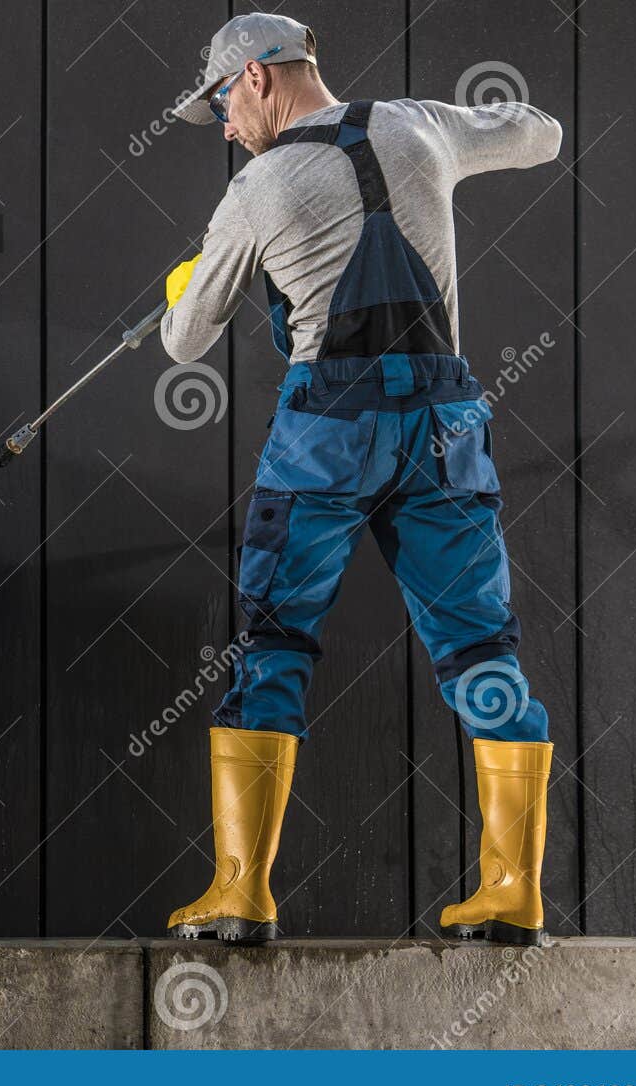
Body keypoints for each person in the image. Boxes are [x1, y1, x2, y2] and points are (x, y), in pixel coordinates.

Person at [160, 12, 563, 946]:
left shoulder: (256, 189)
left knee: (274, 643)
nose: (223, 122)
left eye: (223, 99)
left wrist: (189, 283)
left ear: (259, 77)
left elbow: (185, 343)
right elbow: (539, 132)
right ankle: (511, 894)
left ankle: (241, 894)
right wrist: (462, 130)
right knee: (479, 649)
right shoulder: (420, 123)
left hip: (327, 432)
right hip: (441, 428)